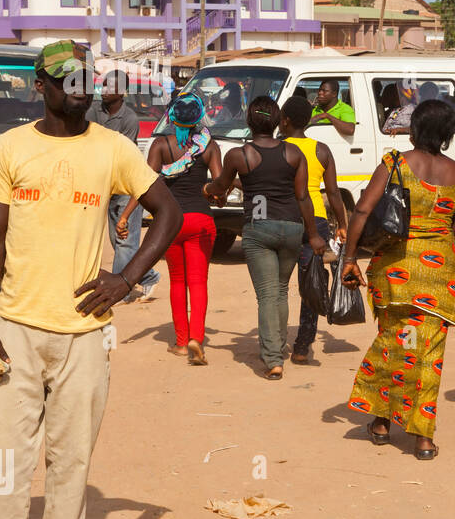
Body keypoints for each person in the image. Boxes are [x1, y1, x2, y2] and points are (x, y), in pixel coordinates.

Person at [0, 40, 181, 519]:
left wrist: (126, 279)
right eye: (66, 81)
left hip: (84, 334)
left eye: (85, 80)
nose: (78, 90)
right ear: (41, 85)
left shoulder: (114, 149)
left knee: (71, 458)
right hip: (13, 326)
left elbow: (169, 211)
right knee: (4, 455)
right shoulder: (10, 148)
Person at [341, 100, 455, 460]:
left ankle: (382, 423)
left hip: (395, 271)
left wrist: (349, 258)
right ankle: (423, 439)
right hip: (440, 275)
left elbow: (363, 209)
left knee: (394, 342)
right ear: (448, 134)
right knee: (428, 355)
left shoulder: (395, 164)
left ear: (414, 129)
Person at [204, 96, 326, 379]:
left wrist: (208, 189)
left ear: (249, 120)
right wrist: (314, 235)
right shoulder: (294, 154)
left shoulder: (238, 155)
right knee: (281, 290)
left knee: (268, 295)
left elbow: (220, 185)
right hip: (292, 228)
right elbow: (303, 197)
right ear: (276, 122)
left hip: (259, 229)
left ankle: (273, 358)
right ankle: (278, 346)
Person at [120, 92, 222, 363]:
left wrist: (125, 216)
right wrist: (213, 193)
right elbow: (220, 187)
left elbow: (143, 184)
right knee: (198, 282)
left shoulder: (160, 145)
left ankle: (179, 343)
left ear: (171, 115)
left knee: (178, 281)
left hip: (171, 223)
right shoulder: (209, 147)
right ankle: (196, 339)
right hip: (201, 220)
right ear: (200, 116)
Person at [280, 94, 350, 364]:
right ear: (309, 120)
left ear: (284, 121)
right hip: (317, 224)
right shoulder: (321, 150)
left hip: (285, 219)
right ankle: (302, 346)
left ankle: (274, 339)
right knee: (310, 285)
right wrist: (342, 225)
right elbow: (332, 193)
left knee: (278, 286)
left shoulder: (279, 147)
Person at [91, 70, 161, 302]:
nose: (104, 91)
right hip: (104, 183)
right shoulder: (93, 111)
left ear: (122, 92)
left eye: (110, 87)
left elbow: (121, 156)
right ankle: (148, 276)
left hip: (125, 186)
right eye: (103, 86)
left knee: (124, 241)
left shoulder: (129, 119)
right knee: (117, 241)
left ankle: (122, 289)